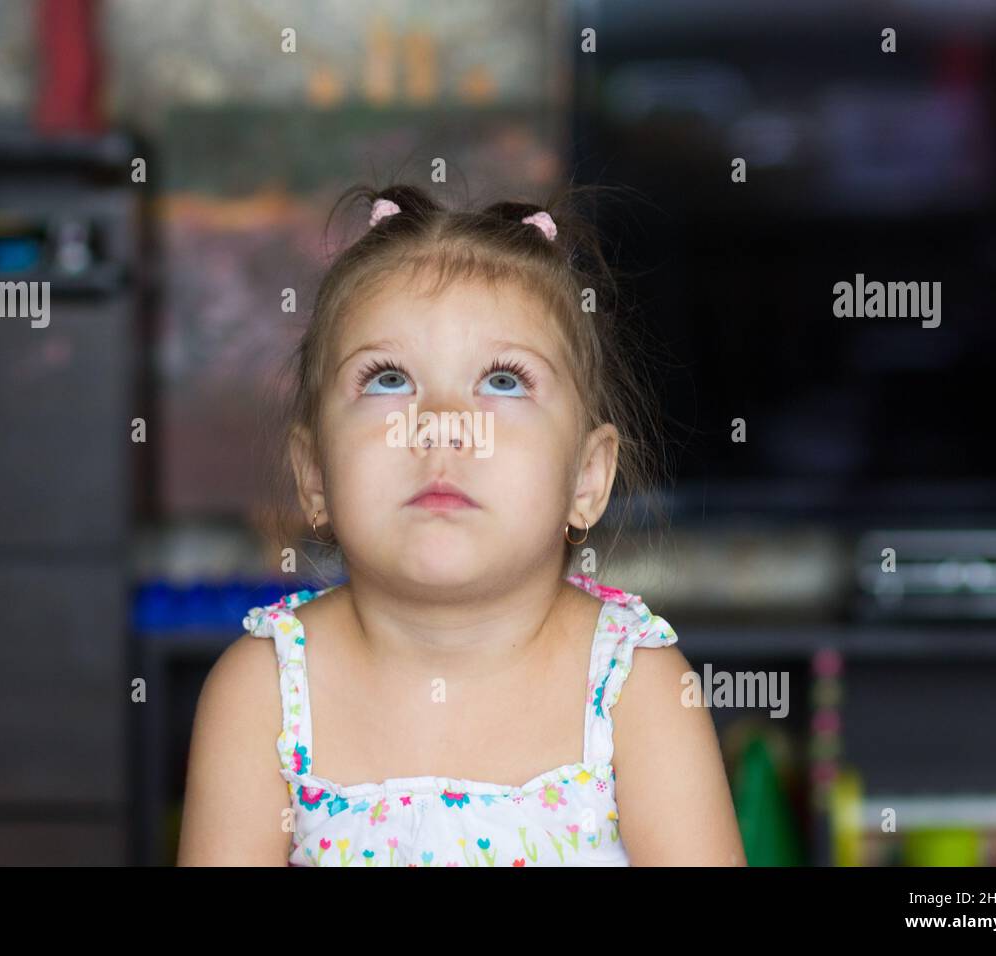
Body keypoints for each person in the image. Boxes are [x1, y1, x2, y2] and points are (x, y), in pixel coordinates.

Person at [178, 183, 745, 866]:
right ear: (314, 475)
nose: (443, 425)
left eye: (504, 381)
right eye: (388, 380)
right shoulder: (264, 691)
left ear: (587, 479)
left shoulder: (635, 689)